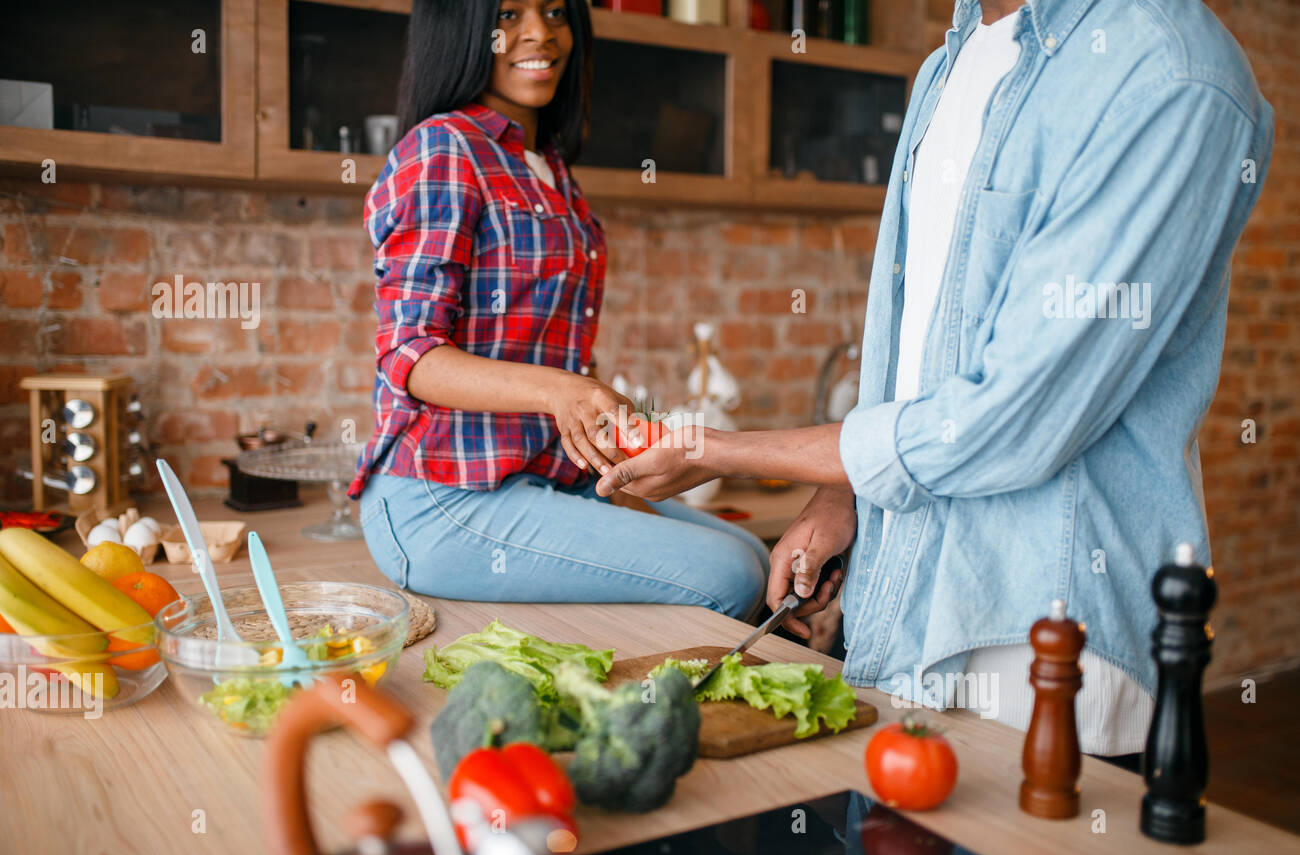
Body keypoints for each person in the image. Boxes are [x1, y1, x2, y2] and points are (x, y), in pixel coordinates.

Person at [596, 0, 1273, 760]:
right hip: (904, 620)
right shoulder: (945, 66)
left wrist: (722, 449)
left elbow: (1015, 415)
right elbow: (916, 348)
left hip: (1041, 649)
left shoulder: (1168, 70)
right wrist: (843, 493)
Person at [348, 0, 769, 620]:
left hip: (540, 480)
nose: (540, 33)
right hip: (441, 497)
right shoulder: (443, 149)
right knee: (729, 574)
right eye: (510, 14)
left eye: (554, 12)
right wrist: (564, 392)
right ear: (462, 30)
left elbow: (552, 347)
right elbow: (410, 355)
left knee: (753, 552)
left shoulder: (549, 168)